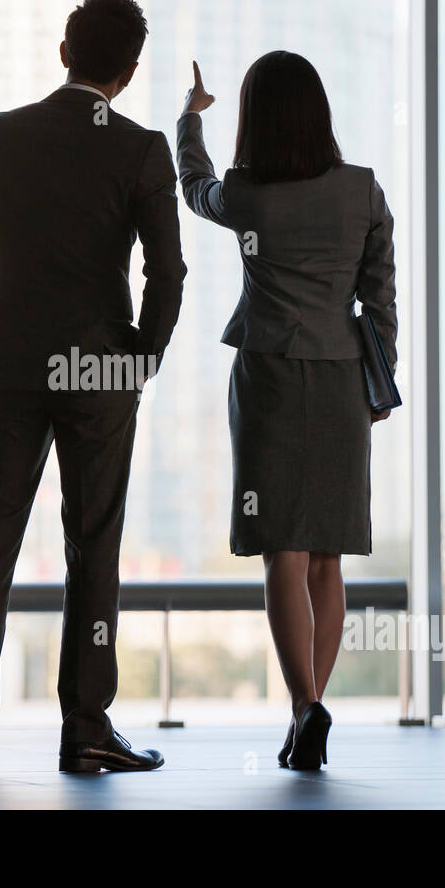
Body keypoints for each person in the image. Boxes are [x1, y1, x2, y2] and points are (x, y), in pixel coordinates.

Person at [0, 0, 186, 775]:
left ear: (64, 50)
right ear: (129, 72)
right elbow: (167, 271)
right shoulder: (142, 150)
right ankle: (85, 728)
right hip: (102, 370)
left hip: (11, 368)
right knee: (94, 547)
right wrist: (139, 359)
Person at [176, 52, 397, 770]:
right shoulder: (362, 192)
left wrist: (188, 119)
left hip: (269, 375)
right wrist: (379, 375)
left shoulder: (248, 196)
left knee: (283, 549)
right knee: (328, 556)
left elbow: (194, 187)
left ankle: (304, 707)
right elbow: (380, 295)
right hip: (340, 380)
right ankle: (311, 708)